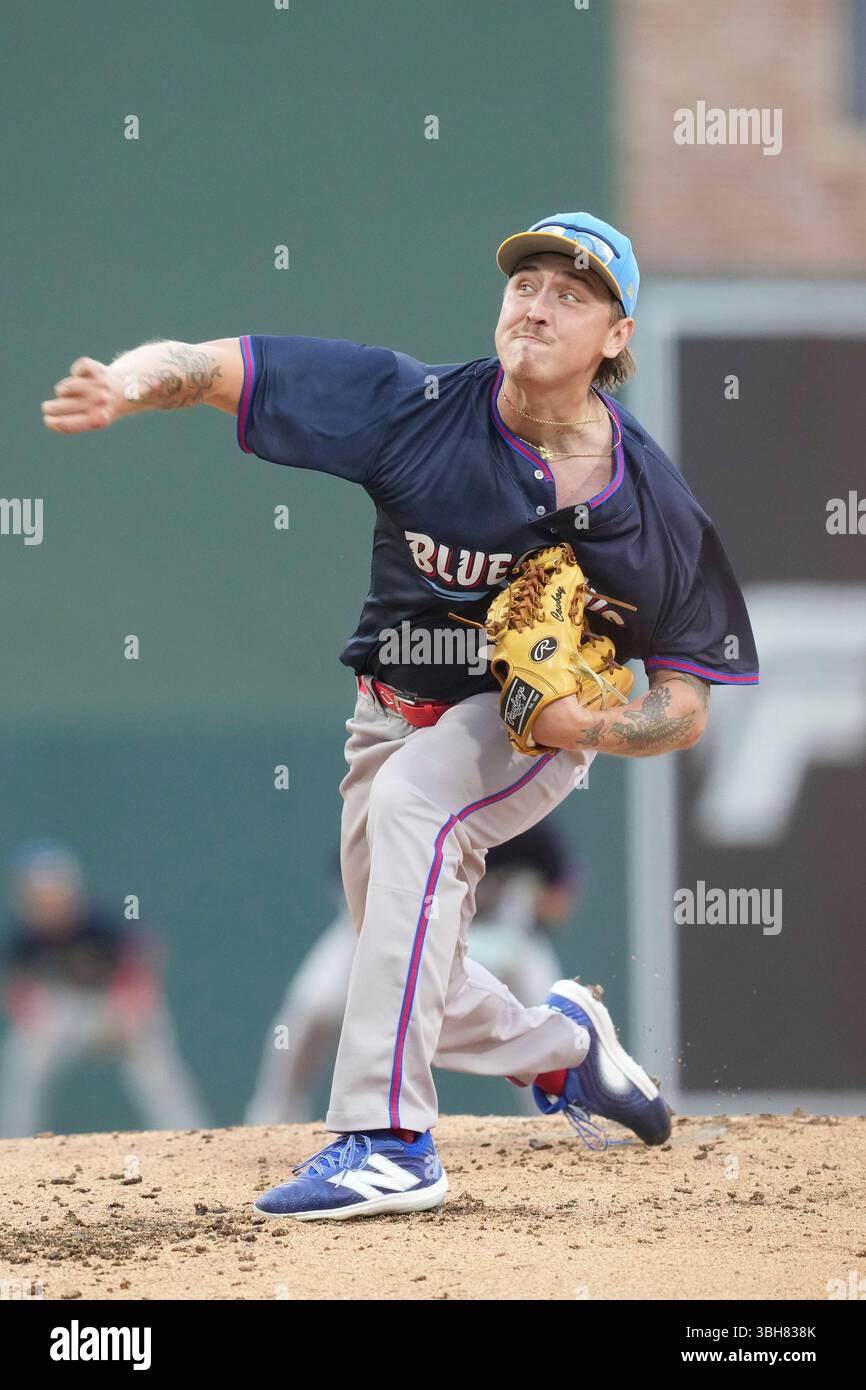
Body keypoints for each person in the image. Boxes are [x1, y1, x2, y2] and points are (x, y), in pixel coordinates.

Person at [41, 211, 759, 1221]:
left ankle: (387, 1139)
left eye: (571, 292)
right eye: (525, 283)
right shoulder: (411, 407)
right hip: (384, 712)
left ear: (615, 336)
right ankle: (564, 1046)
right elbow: (217, 367)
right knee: (401, 945)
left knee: (419, 805)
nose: (536, 303)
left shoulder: (654, 512)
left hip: (516, 734)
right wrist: (124, 382)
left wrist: (584, 727)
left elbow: (684, 702)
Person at [244, 820, 582, 1126]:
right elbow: (351, 883)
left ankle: (566, 1111)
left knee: (544, 1000)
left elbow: (559, 895)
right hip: (386, 928)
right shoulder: (405, 809)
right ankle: (273, 1117)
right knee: (316, 1004)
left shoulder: (517, 818)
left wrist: (522, 903)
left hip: (492, 933)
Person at [0, 839, 209, 1137]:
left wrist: (135, 994)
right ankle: (13, 1145)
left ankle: (192, 1137)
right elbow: (17, 982)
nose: (49, 904)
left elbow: (147, 948)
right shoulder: (26, 934)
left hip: (117, 1004)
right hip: (72, 1010)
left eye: (54, 894)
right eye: (40, 897)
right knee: (24, 1056)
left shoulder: (98, 920)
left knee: (158, 1073)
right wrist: (28, 1005)